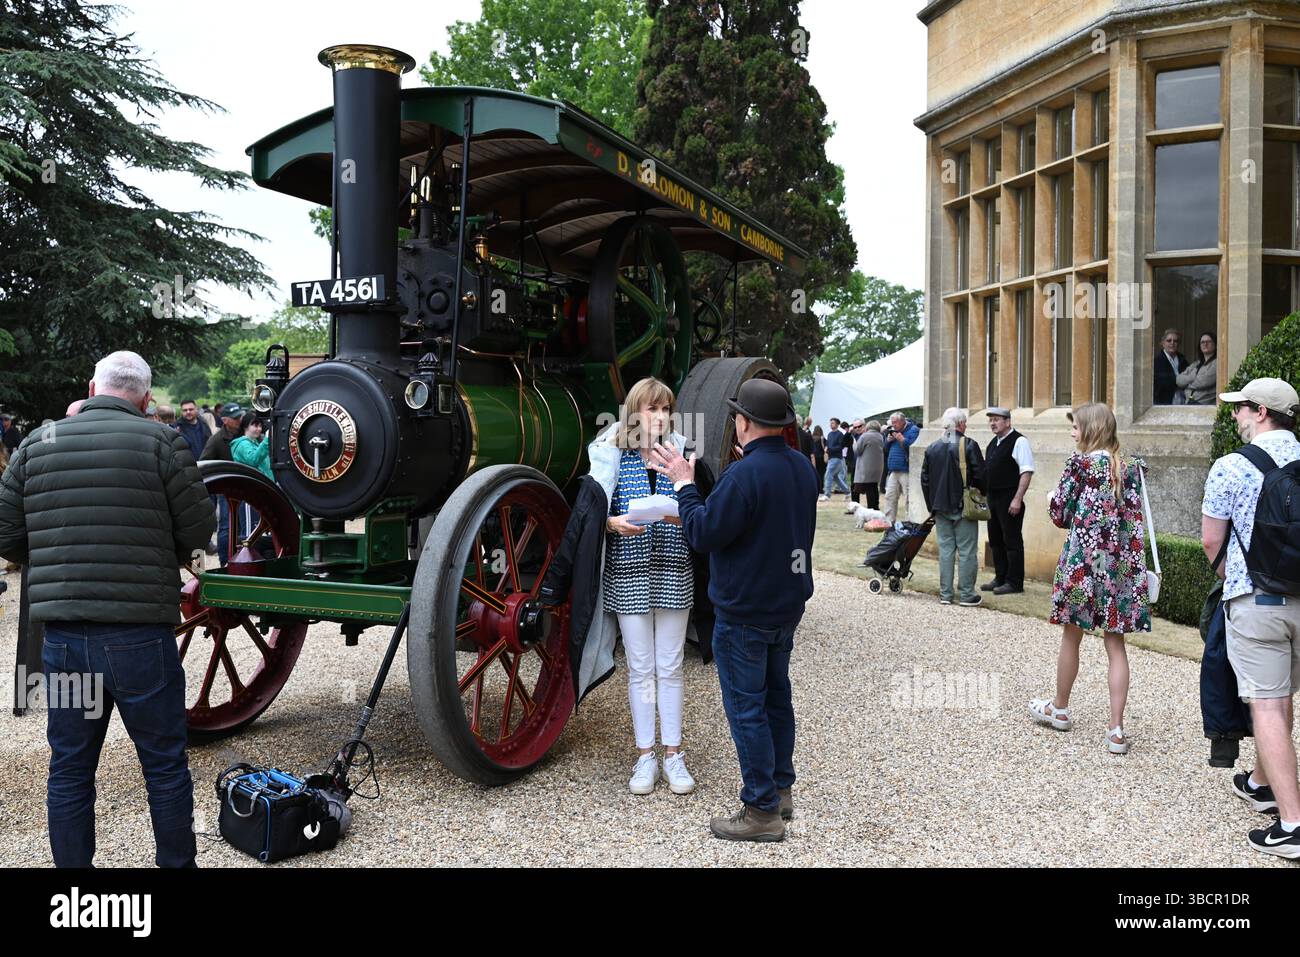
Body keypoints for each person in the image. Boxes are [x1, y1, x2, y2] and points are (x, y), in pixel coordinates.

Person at [0, 350, 214, 867]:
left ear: (91, 387)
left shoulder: (36, 443)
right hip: (141, 636)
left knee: (70, 769)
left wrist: (55, 561)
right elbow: (199, 534)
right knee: (163, 768)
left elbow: (7, 537)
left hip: (67, 641)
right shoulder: (163, 441)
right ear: (145, 398)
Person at [650, 378, 817, 842]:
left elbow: (702, 534)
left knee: (748, 710)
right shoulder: (802, 467)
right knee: (776, 699)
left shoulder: (742, 476)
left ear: (743, 422)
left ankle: (761, 809)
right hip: (786, 605)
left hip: (744, 611)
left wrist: (684, 484)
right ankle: (780, 791)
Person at [540, 378, 711, 796]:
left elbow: (706, 511)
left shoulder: (684, 454)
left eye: (666, 409)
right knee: (640, 668)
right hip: (629, 572)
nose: (661, 417)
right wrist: (611, 523)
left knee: (669, 666)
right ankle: (644, 756)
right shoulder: (609, 454)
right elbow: (588, 517)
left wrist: (681, 514)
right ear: (636, 412)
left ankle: (673, 754)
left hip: (673, 570)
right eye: (653, 409)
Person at [1200, 377, 1300, 858]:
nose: (1235, 415)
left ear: (1261, 411)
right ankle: (1261, 781)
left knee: (1265, 703)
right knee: (1282, 698)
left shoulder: (1231, 467)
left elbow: (1210, 541)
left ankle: (1293, 825)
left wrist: (1233, 578)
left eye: (1240, 408)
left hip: (1257, 599)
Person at [1029, 402, 1151, 754]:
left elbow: (1060, 514)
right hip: (1119, 567)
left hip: (1085, 562)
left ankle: (1060, 708)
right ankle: (1116, 731)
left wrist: (1054, 497)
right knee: (1116, 645)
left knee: (1072, 635)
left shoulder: (1080, 464)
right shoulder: (1130, 468)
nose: (1072, 431)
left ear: (1091, 429)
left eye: (1076, 426)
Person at [921, 408, 986, 607]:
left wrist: (931, 506)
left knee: (946, 551)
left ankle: (946, 594)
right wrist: (980, 495)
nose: (966, 426)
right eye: (965, 422)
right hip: (963, 506)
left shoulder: (932, 447)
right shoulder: (969, 444)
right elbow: (982, 476)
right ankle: (966, 595)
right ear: (959, 424)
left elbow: (925, 480)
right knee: (966, 551)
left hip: (940, 507)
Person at [982, 407, 1034, 594]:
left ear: (1008, 422)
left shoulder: (1019, 441)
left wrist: (1017, 499)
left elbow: (1026, 471)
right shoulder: (993, 443)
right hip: (993, 498)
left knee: (1011, 541)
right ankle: (1000, 577)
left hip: (1009, 498)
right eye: (991, 420)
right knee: (996, 540)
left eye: (997, 419)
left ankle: (1015, 583)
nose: (993, 423)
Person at [202, 402, 245, 566]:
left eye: (239, 417)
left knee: (242, 526)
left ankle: (242, 559)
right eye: (235, 418)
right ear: (225, 420)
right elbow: (204, 462)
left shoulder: (244, 433)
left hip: (246, 487)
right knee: (227, 526)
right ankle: (225, 561)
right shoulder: (217, 440)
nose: (239, 420)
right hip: (227, 489)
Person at [882, 411, 920, 524]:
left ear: (903, 421)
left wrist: (901, 439)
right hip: (893, 469)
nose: (893, 425)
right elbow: (885, 449)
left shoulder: (913, 430)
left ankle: (910, 522)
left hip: (906, 470)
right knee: (890, 497)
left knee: (909, 498)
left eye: (895, 423)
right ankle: (889, 522)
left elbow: (913, 447)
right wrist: (888, 441)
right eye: (892, 423)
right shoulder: (893, 431)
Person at [848, 418, 884, 513]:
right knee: (874, 487)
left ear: (867, 427)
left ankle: (871, 508)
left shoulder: (865, 436)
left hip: (866, 466)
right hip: (877, 466)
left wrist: (854, 445)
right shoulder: (880, 436)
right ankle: (875, 507)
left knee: (868, 488)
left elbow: (858, 450)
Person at [1176, 331, 1217, 406]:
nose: (1205, 344)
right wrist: (1191, 378)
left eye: (1209, 341)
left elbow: (1203, 382)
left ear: (1215, 344)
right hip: (1188, 402)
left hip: (1204, 405)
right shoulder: (1196, 363)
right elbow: (1178, 379)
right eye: (1202, 342)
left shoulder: (1217, 363)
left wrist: (1186, 384)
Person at [1153, 328, 1189, 406]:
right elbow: (1162, 382)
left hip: (1183, 401)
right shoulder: (1156, 361)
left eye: (1175, 341)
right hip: (1163, 402)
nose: (1172, 343)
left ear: (1178, 344)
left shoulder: (1183, 360)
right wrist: (1179, 381)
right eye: (1169, 340)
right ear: (1163, 343)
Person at [820, 417, 849, 500]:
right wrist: (826, 448)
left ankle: (827, 495)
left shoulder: (840, 434)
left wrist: (829, 449)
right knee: (836, 477)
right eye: (830, 423)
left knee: (828, 474)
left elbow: (840, 447)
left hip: (837, 458)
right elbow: (828, 445)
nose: (831, 424)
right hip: (831, 458)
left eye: (832, 423)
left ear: (837, 424)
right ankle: (848, 492)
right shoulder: (829, 434)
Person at [810, 425, 826, 490]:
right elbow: (825, 448)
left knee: (815, 473)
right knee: (821, 474)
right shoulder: (822, 438)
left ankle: (815, 487)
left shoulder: (811, 438)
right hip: (821, 458)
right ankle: (821, 487)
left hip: (814, 458)